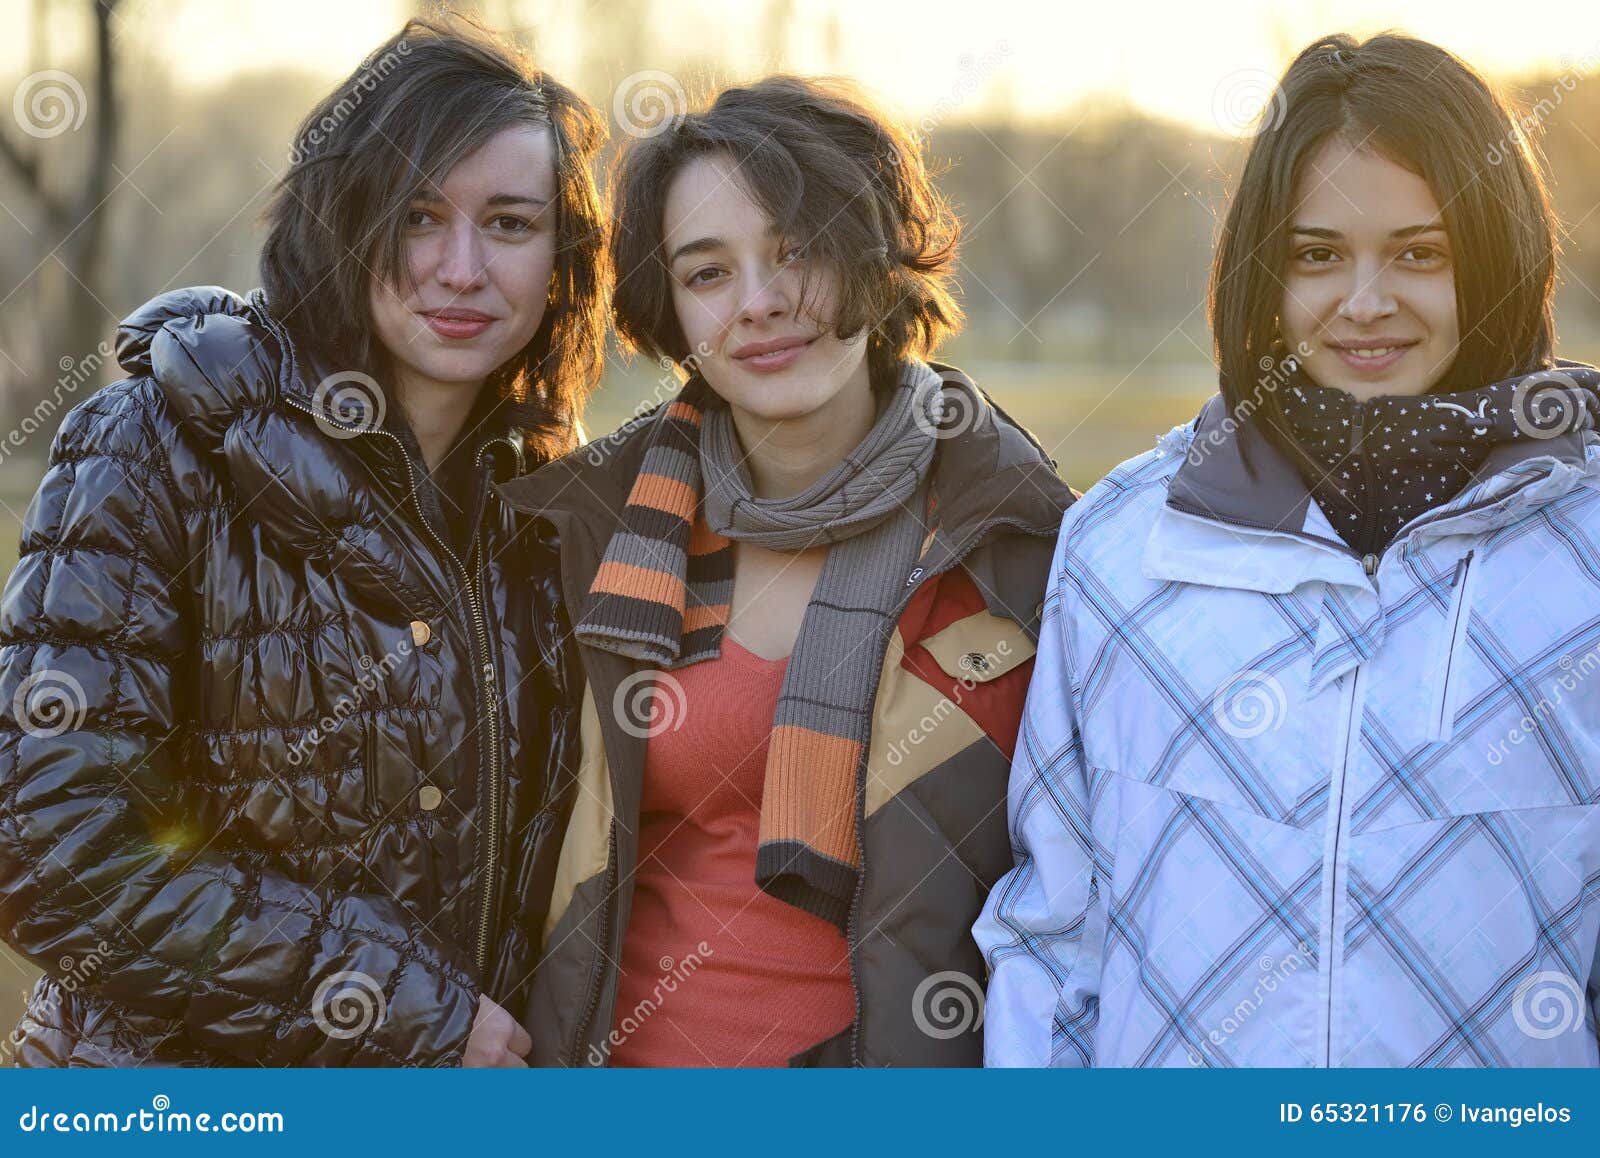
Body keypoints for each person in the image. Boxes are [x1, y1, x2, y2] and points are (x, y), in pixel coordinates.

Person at [976, 32, 1600, 1067]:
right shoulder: (1124, 545)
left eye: (1419, 252)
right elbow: (1054, 936)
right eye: (1318, 255)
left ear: (1494, 257)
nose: (1365, 301)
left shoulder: (1583, 546)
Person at [0, 18, 606, 1066]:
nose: (461, 268)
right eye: (418, 217)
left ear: (561, 260)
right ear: (343, 219)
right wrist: (402, 1014)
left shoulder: (552, 503)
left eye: (510, 224)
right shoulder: (154, 443)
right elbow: (49, 847)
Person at [497, 75, 1074, 1066]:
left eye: (796, 251)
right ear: (672, 310)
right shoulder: (595, 527)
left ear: (871, 255)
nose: (758, 303)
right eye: (708, 273)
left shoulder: (1018, 537)